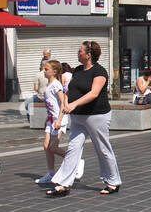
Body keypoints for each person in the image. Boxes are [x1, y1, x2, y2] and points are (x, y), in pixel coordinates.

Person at [45, 40, 122, 197]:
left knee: (102, 148)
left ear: (88, 55)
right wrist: (63, 111)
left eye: (80, 51)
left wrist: (74, 104)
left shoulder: (99, 72)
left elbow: (94, 93)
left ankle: (113, 181)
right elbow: (69, 91)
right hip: (78, 117)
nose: (77, 53)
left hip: (97, 116)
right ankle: (64, 183)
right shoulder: (78, 70)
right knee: (73, 149)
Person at [36, 60, 81, 185]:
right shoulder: (49, 84)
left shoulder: (56, 85)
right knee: (46, 146)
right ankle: (51, 173)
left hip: (58, 119)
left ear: (54, 71)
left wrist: (59, 120)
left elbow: (63, 102)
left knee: (53, 147)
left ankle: (76, 161)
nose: (44, 71)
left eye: (46, 69)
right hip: (51, 119)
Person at [22, 49, 52, 120]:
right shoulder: (52, 73)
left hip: (41, 97)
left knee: (26, 104)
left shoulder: (38, 74)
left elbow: (35, 89)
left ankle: (30, 120)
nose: (44, 55)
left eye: (45, 54)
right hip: (50, 96)